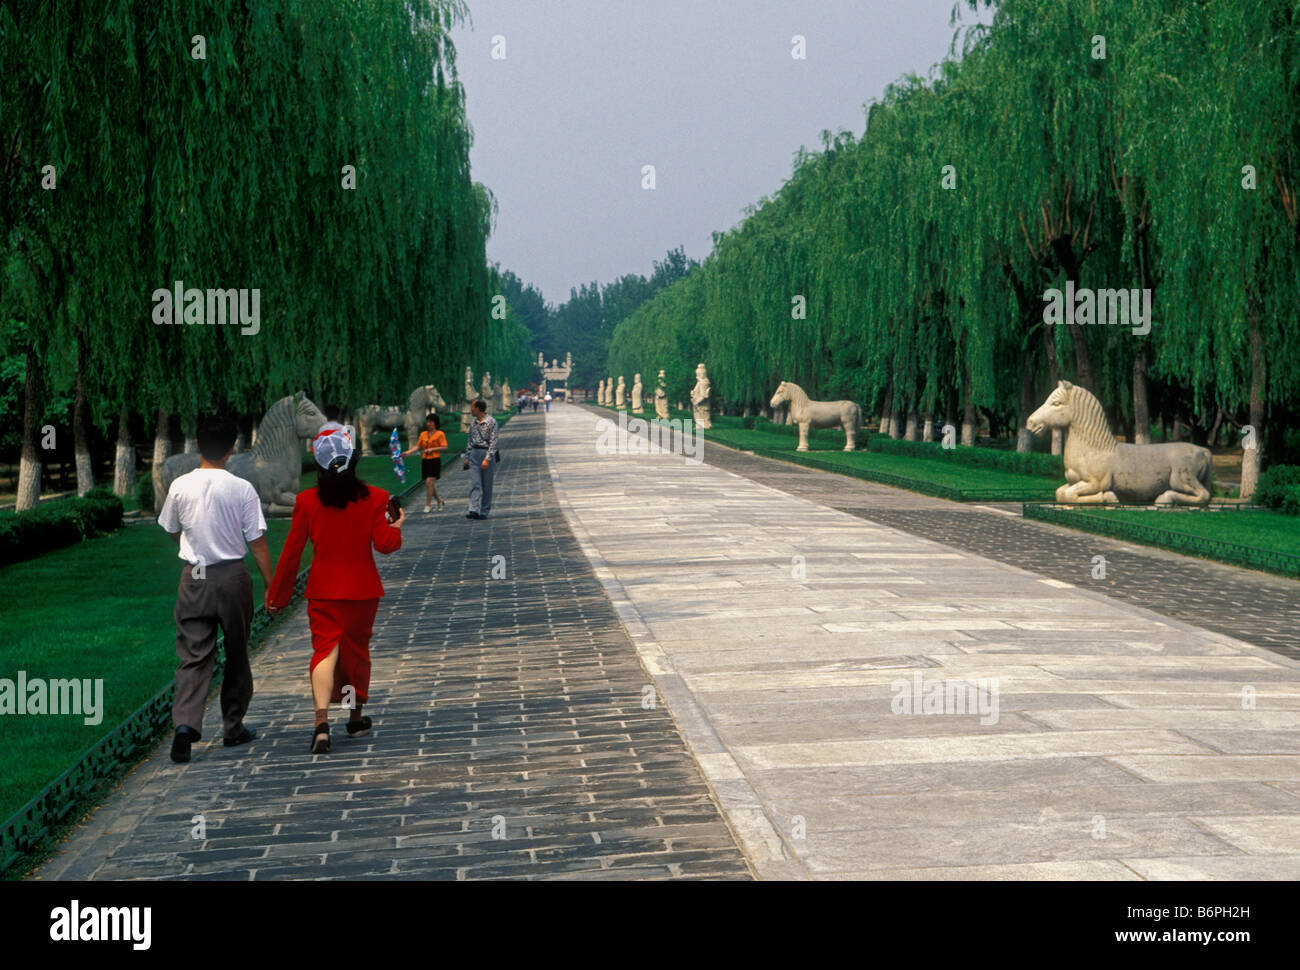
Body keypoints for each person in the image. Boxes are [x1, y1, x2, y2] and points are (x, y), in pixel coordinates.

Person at [265, 422, 404, 754]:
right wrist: (396, 526)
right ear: (352, 459)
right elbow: (385, 546)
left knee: (325, 651)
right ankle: (355, 719)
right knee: (356, 654)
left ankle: (321, 724)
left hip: (324, 589)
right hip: (363, 591)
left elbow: (292, 553)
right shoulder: (377, 498)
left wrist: (277, 596)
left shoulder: (306, 502)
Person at [158, 415, 270, 763]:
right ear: (233, 448)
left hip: (196, 576)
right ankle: (233, 726)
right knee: (236, 652)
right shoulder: (241, 488)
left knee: (193, 654)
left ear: (197, 445)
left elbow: (172, 529)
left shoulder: (179, 486)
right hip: (232, 577)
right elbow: (258, 543)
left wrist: (192, 548)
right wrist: (272, 583)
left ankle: (185, 726)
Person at [402, 412, 447, 512]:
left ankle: (428, 505)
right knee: (429, 484)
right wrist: (407, 452)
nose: (428, 424)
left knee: (429, 482)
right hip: (425, 461)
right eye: (427, 422)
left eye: (431, 422)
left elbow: (444, 447)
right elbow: (417, 447)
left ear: (435, 423)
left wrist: (432, 449)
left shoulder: (440, 434)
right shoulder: (423, 434)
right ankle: (439, 501)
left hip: (435, 460)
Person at [463, 398, 498, 519]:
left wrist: (487, 459)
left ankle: (484, 511)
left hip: (486, 453)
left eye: (472, 407)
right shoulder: (473, 423)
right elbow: (470, 440)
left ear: (478, 409)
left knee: (487, 485)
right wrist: (467, 456)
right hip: (474, 454)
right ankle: (473, 509)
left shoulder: (491, 422)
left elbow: (493, 442)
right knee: (475, 483)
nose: (471, 409)